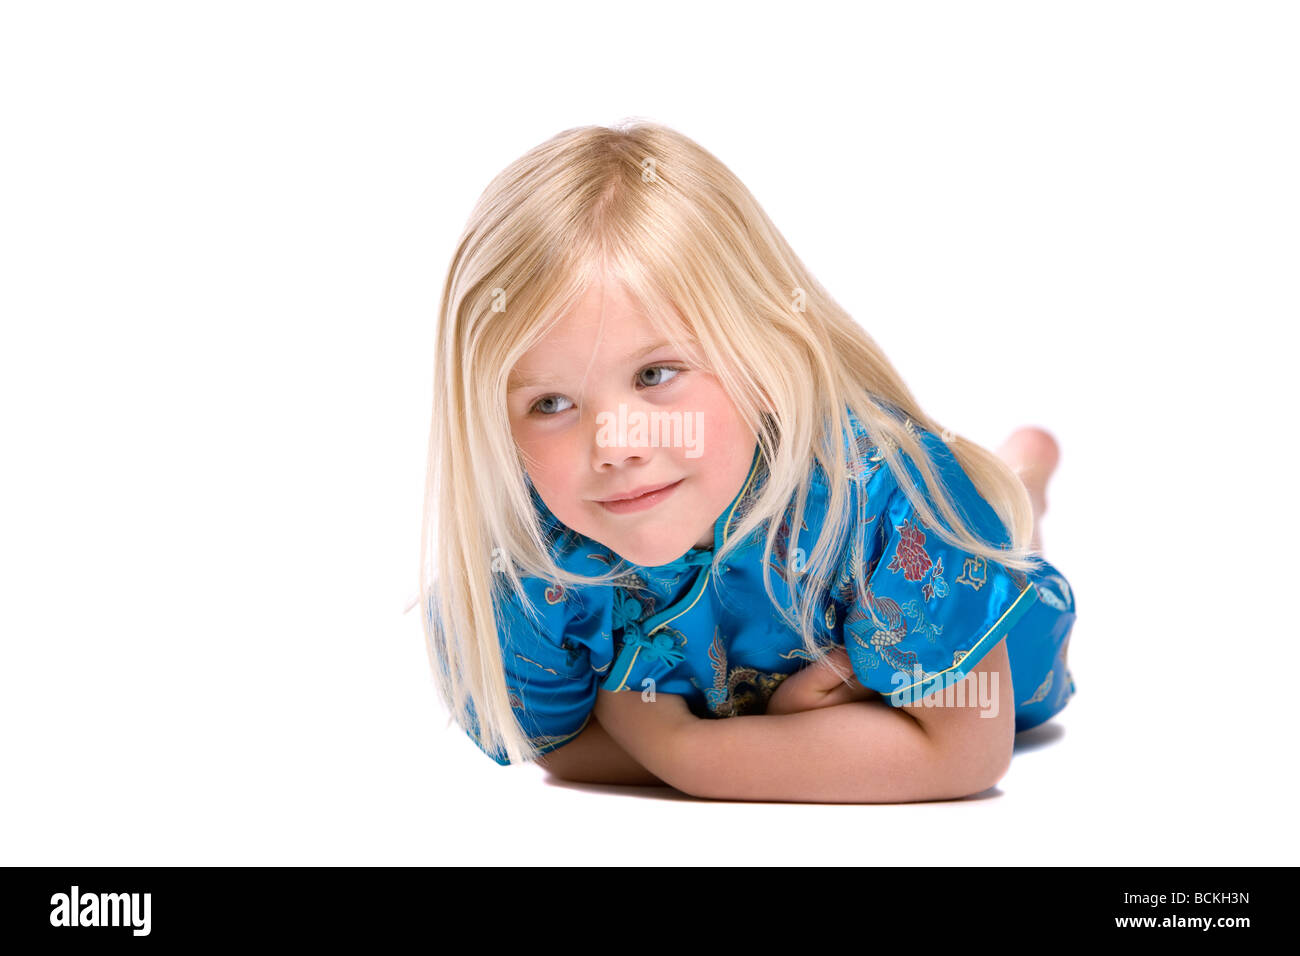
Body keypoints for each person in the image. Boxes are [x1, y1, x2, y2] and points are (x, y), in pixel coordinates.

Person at [415, 120, 1077, 802]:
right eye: (551, 404)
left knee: (999, 534)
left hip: (999, 631)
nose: (614, 446)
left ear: (764, 358)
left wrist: (681, 742)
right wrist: (788, 739)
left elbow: (961, 754)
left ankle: (1019, 482)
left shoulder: (891, 501)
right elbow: (558, 750)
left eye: (655, 374)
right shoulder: (521, 581)